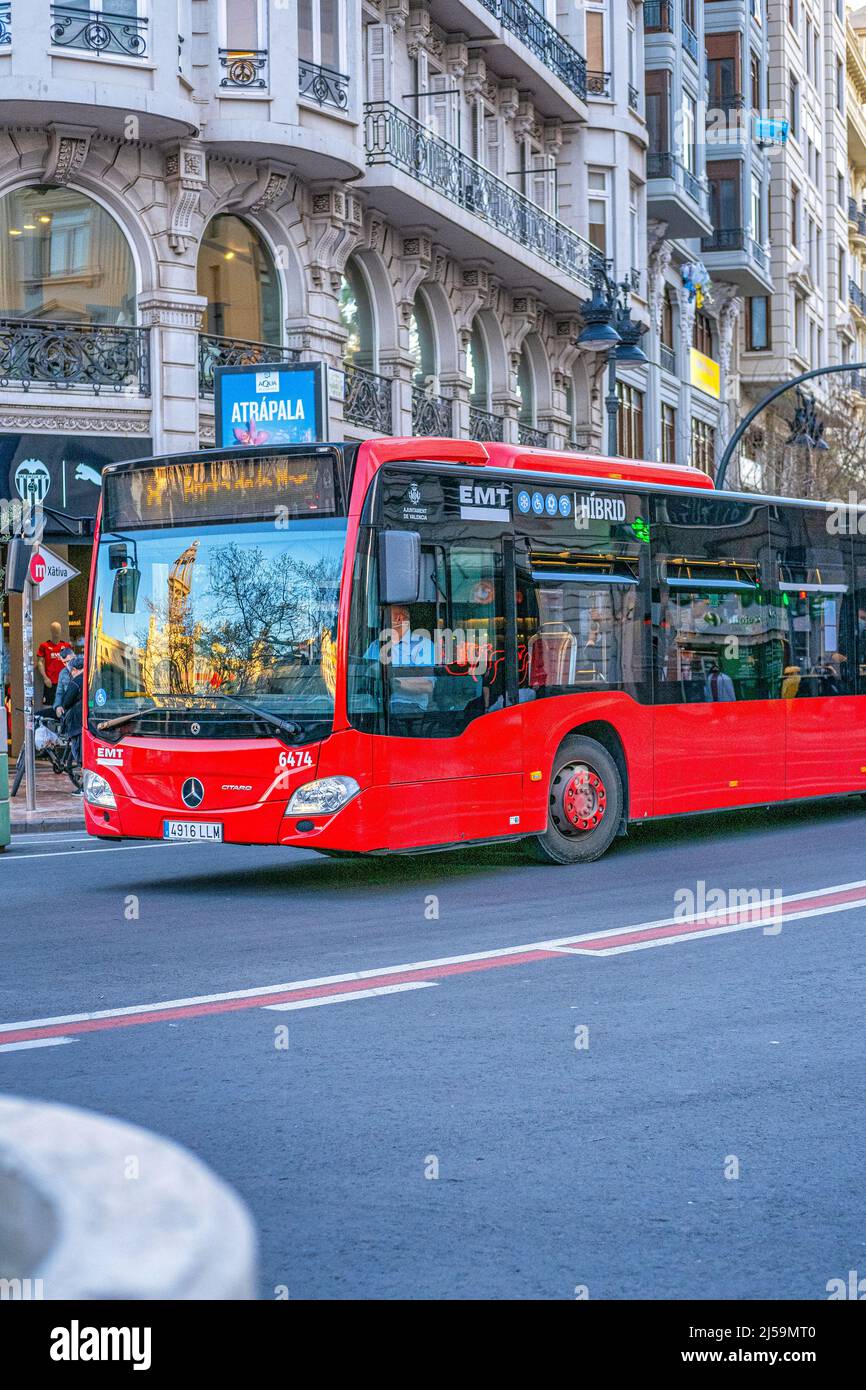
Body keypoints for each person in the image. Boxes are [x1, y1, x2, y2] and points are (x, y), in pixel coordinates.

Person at [367, 604, 436, 713]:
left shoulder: (422, 645)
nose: (378, 619)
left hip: (410, 707)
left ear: (399, 619)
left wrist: (392, 682)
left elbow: (427, 685)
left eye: (382, 615)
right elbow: (363, 676)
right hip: (376, 707)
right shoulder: (375, 645)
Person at [37, 621, 72, 706]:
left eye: (58, 630)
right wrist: (45, 678)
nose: (56, 633)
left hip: (64, 681)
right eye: (54, 630)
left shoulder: (66, 646)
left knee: (65, 704)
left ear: (60, 631)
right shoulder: (44, 646)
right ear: (51, 631)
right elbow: (40, 662)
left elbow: (71, 662)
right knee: (50, 705)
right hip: (50, 682)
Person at [59, 654, 84, 769]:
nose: (71, 675)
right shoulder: (92, 679)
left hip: (77, 723)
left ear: (74, 670)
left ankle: (83, 782)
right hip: (89, 722)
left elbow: (66, 701)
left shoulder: (76, 682)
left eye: (71, 673)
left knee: (79, 754)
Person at [54, 645, 77, 717]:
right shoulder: (63, 673)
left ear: (74, 656)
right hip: (67, 708)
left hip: (80, 707)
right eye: (64, 662)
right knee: (38, 715)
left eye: (69, 661)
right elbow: (59, 693)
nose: (67, 664)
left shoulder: (83, 669)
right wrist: (57, 706)